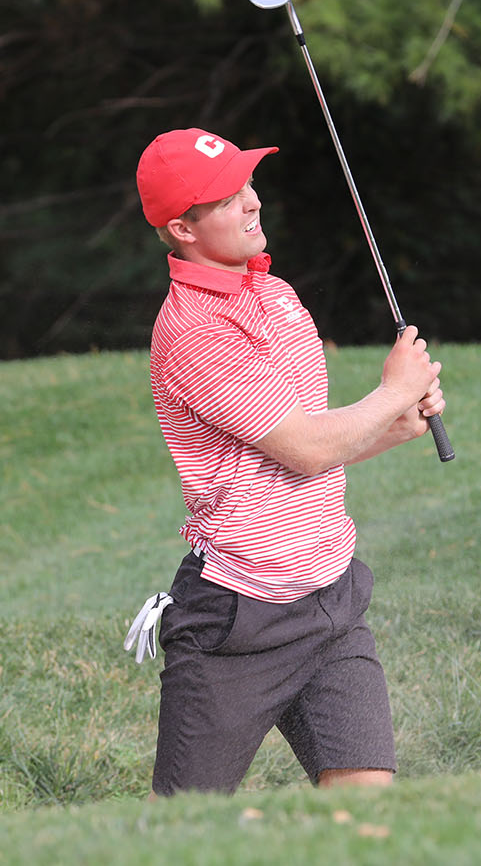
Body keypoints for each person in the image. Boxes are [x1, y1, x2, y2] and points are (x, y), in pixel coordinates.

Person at [125, 127, 446, 797]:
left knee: (365, 805)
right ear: (183, 228)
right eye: (225, 198)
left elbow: (306, 444)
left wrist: (396, 426)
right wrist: (392, 391)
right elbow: (306, 450)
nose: (251, 203)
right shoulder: (192, 331)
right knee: (185, 836)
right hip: (239, 621)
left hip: (330, 598)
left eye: (247, 184)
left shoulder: (277, 296)